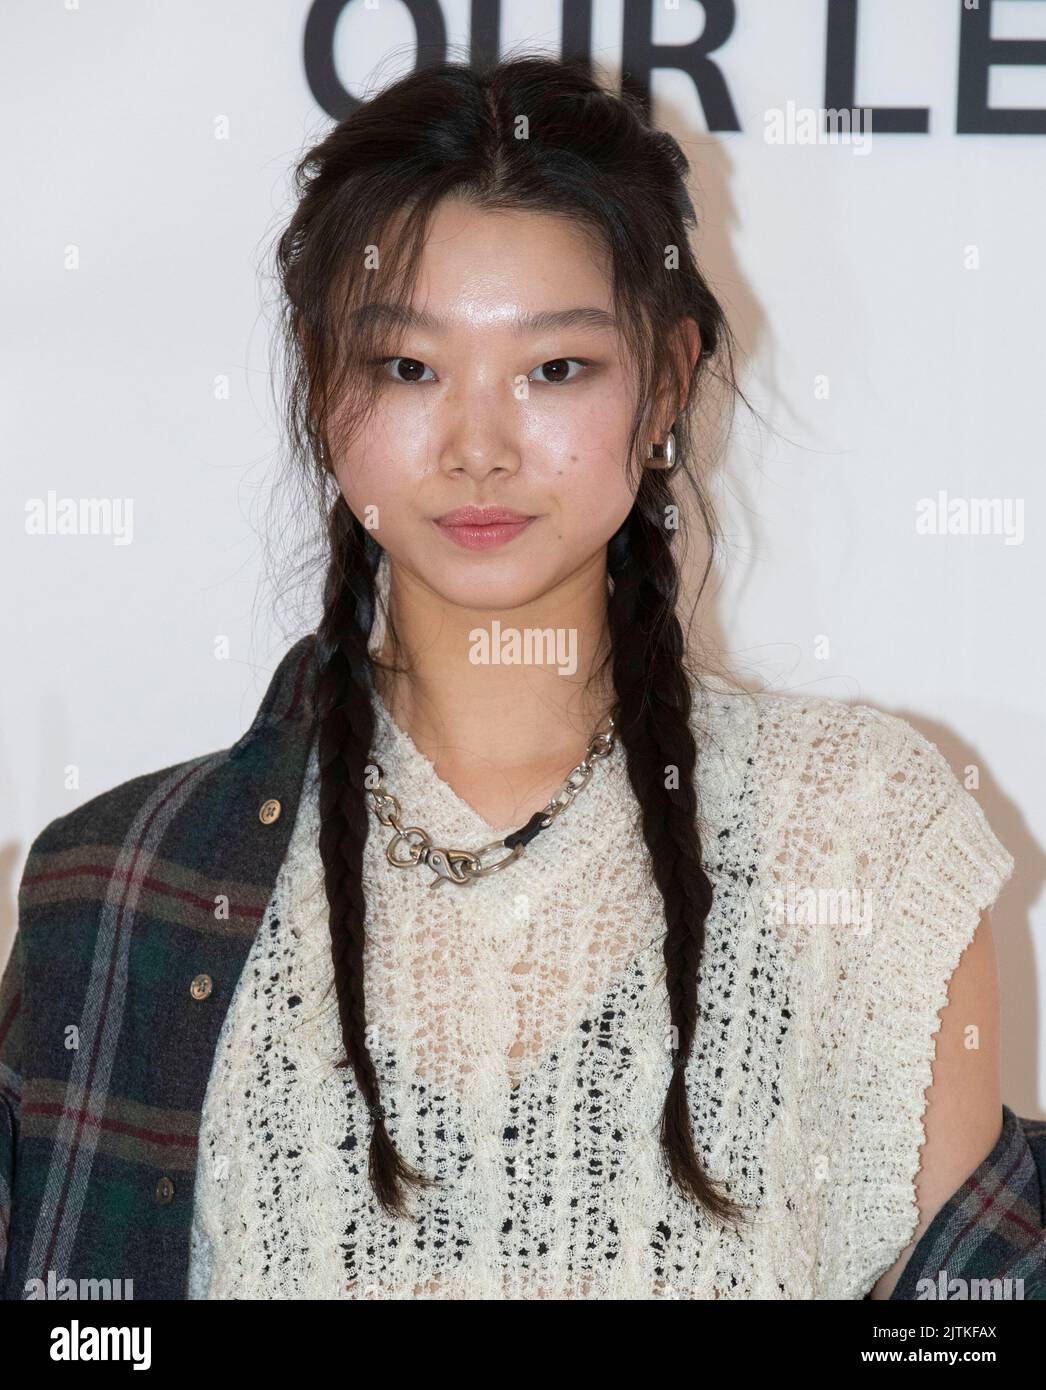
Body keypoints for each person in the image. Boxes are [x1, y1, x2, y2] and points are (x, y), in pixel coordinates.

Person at [0, 54, 1034, 1302]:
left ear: (661, 384)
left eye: (554, 370)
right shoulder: (119, 886)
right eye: (406, 368)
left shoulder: (860, 828)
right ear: (326, 389)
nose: (478, 448)